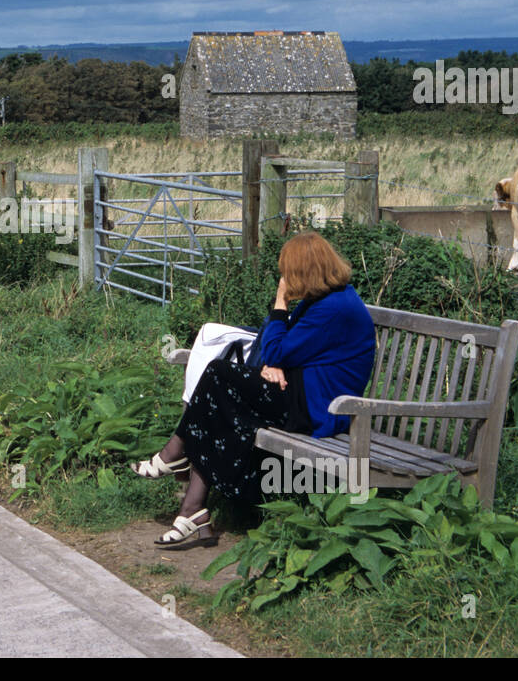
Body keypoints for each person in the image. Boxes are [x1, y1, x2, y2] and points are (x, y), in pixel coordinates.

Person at [131, 231, 376, 550]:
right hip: (302, 392)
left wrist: (280, 303)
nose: (283, 278)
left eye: (288, 272)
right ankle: (192, 509)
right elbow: (273, 345)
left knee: (220, 376)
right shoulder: (325, 299)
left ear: (305, 272)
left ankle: (177, 455)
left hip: (320, 409)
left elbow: (276, 348)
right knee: (220, 396)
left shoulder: (334, 308)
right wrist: (273, 363)